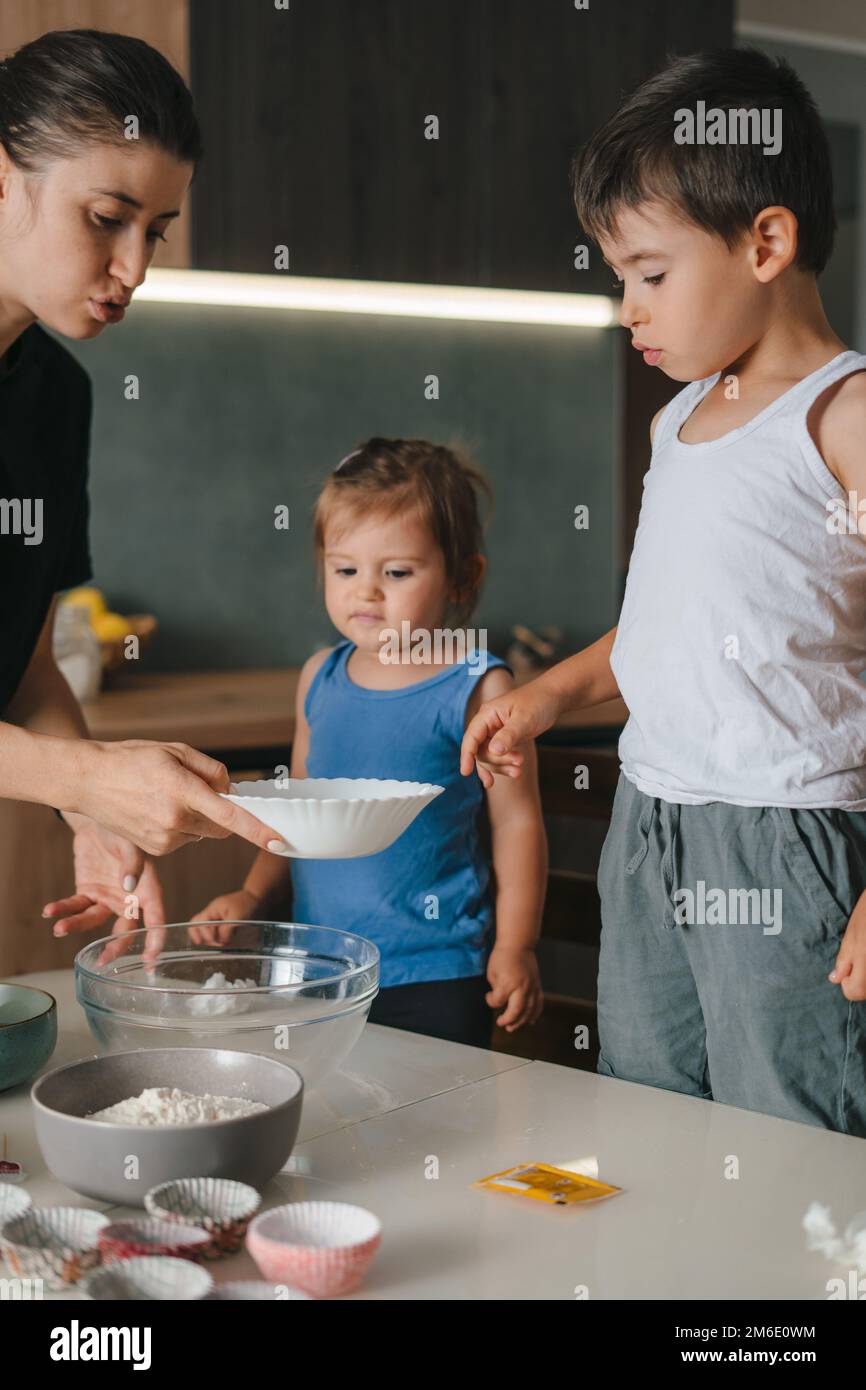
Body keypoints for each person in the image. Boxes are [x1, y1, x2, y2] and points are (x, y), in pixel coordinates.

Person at [461, 48, 866, 1134]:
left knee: (788, 1130)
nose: (627, 307)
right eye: (616, 278)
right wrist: (551, 694)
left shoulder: (842, 418)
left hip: (785, 835)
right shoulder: (673, 423)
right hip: (651, 822)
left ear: (765, 242)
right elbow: (667, 626)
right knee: (647, 1108)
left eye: (648, 272)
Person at [0, 30, 286, 955]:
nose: (136, 267)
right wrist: (80, 778)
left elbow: (29, 663)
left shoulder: (55, 395)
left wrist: (92, 816)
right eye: (104, 218)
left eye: (154, 230)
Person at [192, 438, 547, 1047]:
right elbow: (297, 809)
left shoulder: (480, 688)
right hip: (317, 966)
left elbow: (518, 827)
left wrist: (516, 946)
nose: (366, 592)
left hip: (437, 971)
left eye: (397, 572)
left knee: (438, 1128)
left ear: (464, 576)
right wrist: (253, 893)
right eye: (346, 569)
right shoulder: (318, 678)